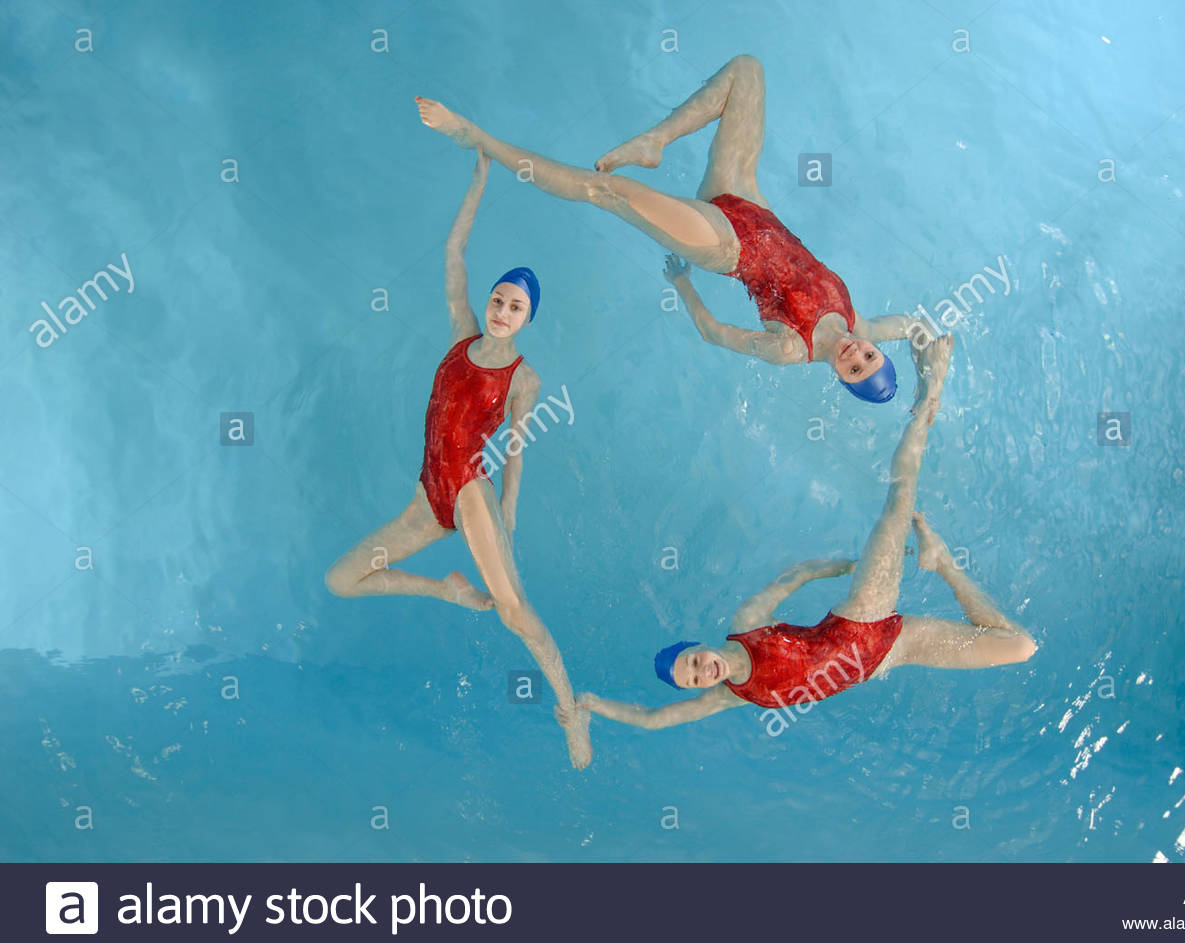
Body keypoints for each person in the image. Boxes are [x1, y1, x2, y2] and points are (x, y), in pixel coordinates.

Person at [577, 335, 1037, 730]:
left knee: (899, 499)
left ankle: (930, 390)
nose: (703, 671)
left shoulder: (745, 626)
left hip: (862, 612)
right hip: (886, 654)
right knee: (1019, 646)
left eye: (693, 662)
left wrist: (850, 568)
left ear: (697, 646)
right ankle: (944, 564)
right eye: (695, 678)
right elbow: (655, 719)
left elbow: (794, 576)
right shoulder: (734, 696)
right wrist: (593, 706)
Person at [415, 54, 926, 403]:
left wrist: (683, 284)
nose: (855, 354)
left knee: (607, 192)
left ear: (840, 378)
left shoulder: (791, 350)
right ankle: (654, 141)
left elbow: (714, 333)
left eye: (854, 369)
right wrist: (933, 375)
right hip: (749, 202)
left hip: (724, 244)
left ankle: (475, 136)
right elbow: (917, 327)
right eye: (868, 356)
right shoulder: (862, 324)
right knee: (747, 71)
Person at [325, 149, 593, 770]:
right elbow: (453, 255)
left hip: (471, 490)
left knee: (514, 611)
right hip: (429, 496)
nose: (500, 312)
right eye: (498, 300)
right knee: (341, 580)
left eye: (514, 308)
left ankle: (570, 712)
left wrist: (508, 507)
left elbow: (517, 447)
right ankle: (443, 591)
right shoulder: (459, 333)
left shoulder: (524, 378)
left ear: (528, 319)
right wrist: (478, 182)